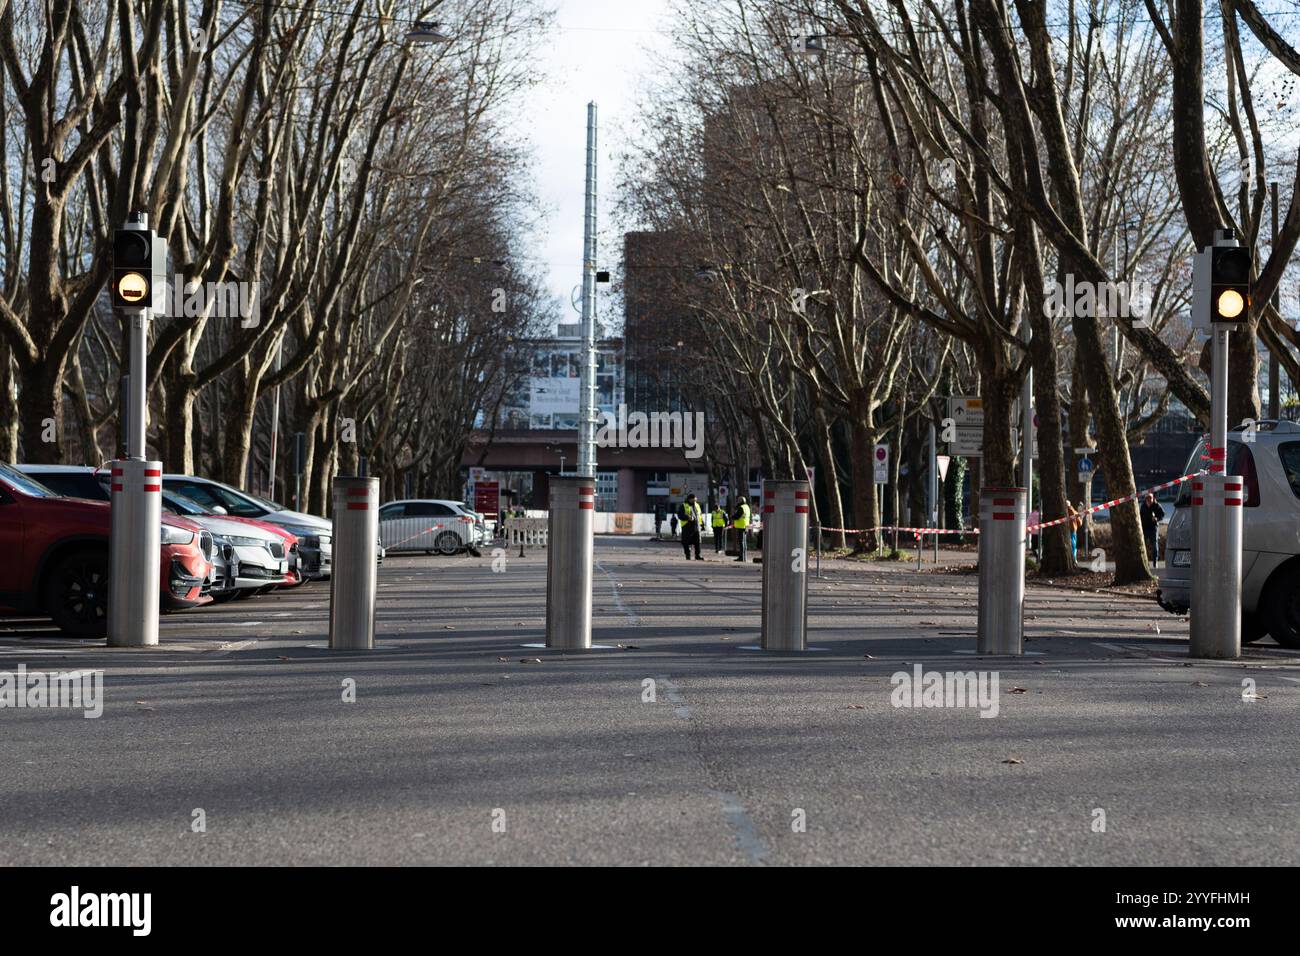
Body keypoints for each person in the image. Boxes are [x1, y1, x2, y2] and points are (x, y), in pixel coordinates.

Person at [1139, 492, 1165, 566]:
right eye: (1147, 498)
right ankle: (1144, 562)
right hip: (1145, 528)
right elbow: (1140, 516)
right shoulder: (1143, 506)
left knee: (1154, 545)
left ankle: (1155, 562)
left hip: (1153, 528)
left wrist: (1157, 519)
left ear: (1153, 498)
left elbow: (1162, 514)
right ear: (1145, 499)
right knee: (1143, 545)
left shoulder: (1157, 505)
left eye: (1150, 498)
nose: (1149, 500)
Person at [678, 493, 704, 560]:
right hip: (687, 526)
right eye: (694, 500)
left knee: (698, 542)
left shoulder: (697, 505)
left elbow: (700, 515)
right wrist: (688, 517)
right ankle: (688, 555)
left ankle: (698, 555)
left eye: (695, 499)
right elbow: (680, 515)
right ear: (690, 499)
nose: (695, 501)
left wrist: (702, 524)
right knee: (686, 542)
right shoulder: (683, 505)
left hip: (696, 526)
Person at [731, 495, 751, 562]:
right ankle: (744, 557)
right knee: (744, 543)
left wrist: (732, 517)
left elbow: (737, 516)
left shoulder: (741, 507)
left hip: (741, 526)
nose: (737, 502)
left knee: (741, 543)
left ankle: (741, 557)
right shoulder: (747, 507)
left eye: (738, 501)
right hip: (746, 526)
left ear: (740, 501)